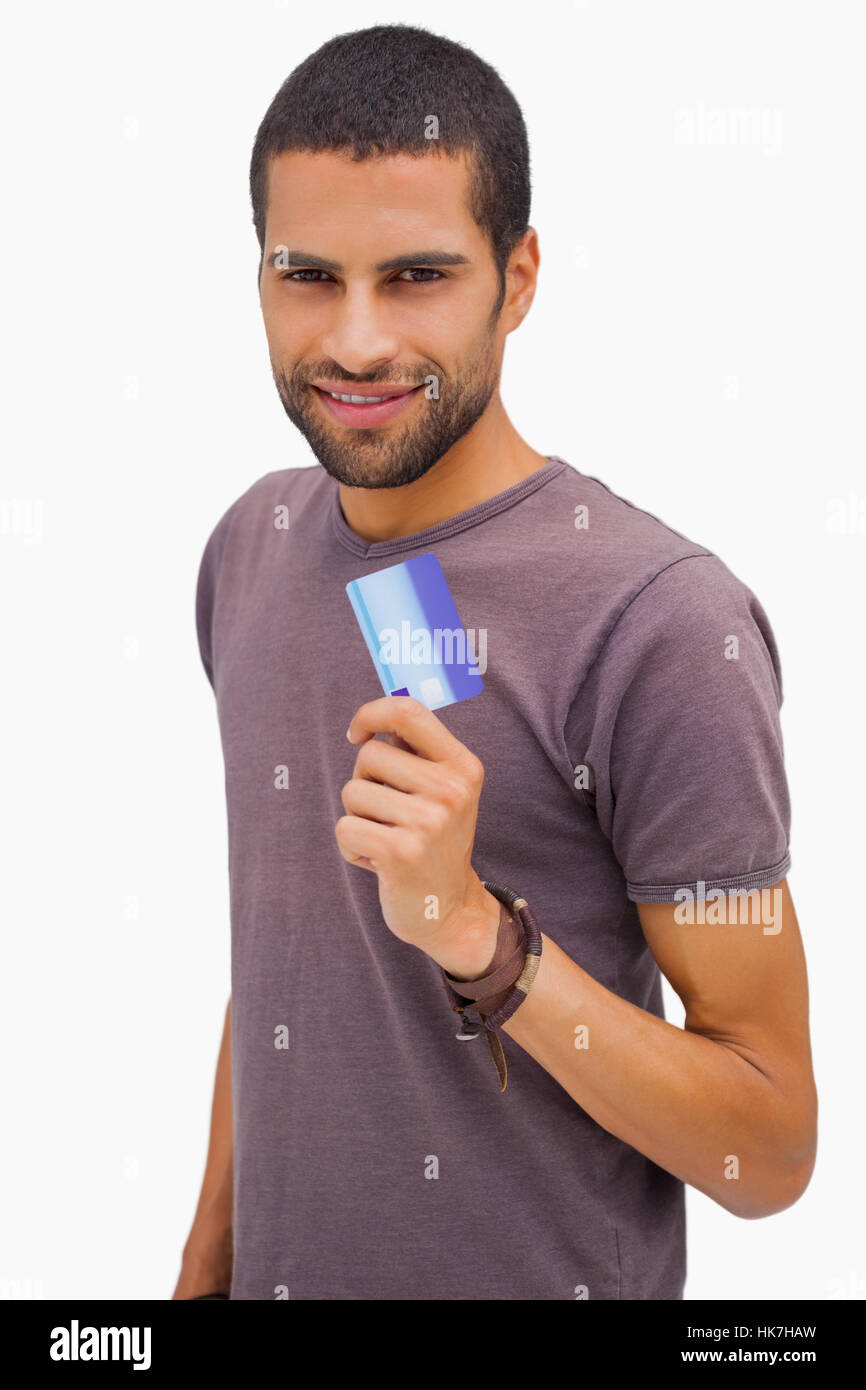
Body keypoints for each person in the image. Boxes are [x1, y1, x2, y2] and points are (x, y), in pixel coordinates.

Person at [173, 24, 816, 1302]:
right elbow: (285, 967)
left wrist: (479, 938)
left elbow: (769, 1144)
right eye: (308, 275)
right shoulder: (249, 550)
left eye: (416, 277)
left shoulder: (663, 625)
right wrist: (198, 1276)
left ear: (517, 279)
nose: (354, 344)